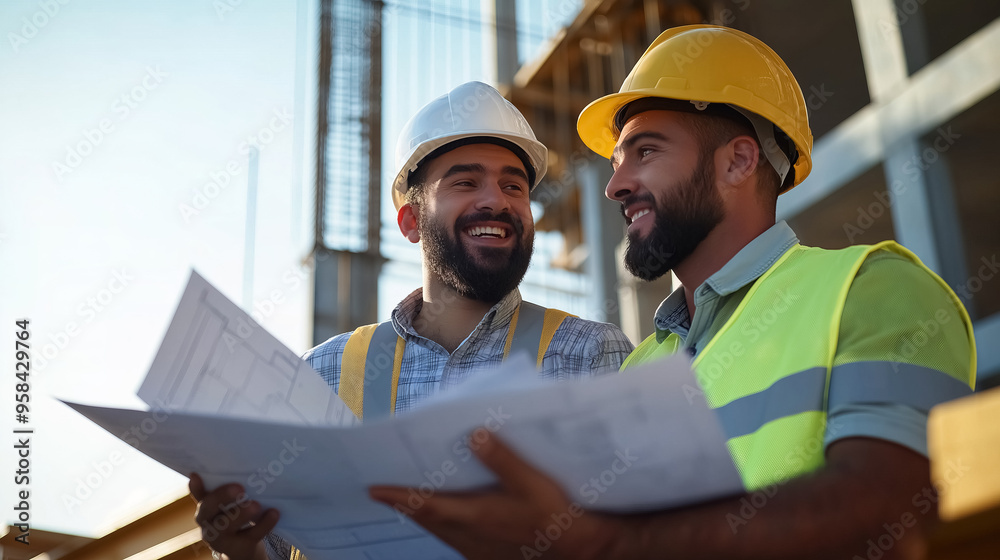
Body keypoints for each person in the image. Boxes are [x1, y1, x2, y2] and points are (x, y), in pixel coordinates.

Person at [369, 26, 977, 559]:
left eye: (645, 151)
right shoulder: (644, 363)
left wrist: (605, 546)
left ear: (738, 162)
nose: (616, 185)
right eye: (616, 160)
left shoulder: (870, 288)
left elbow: (891, 512)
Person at [187, 81, 635, 560]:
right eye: (465, 182)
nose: (496, 201)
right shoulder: (324, 374)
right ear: (410, 222)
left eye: (513, 185)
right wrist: (239, 547)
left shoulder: (591, 356)